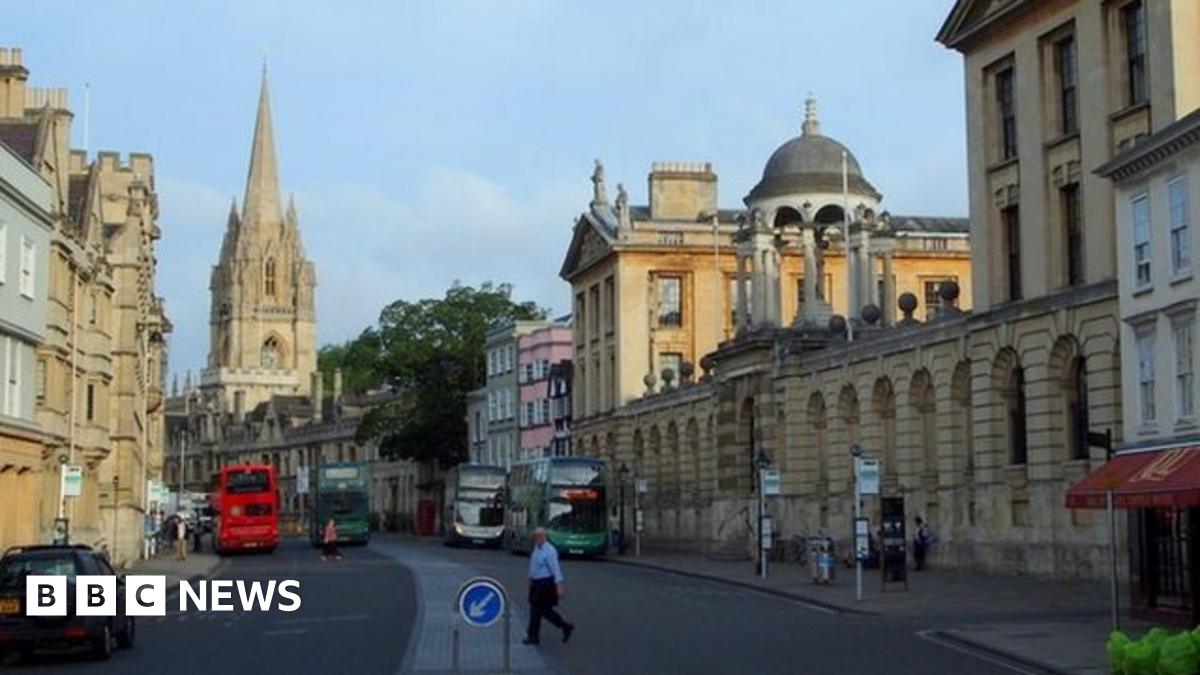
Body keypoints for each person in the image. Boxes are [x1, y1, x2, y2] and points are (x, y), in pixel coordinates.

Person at [523, 528, 574, 646]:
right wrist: (530, 579)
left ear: (545, 537)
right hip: (536, 584)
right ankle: (565, 626)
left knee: (536, 611)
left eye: (540, 536)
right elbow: (533, 566)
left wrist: (559, 586)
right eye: (535, 536)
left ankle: (533, 636)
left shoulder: (550, 551)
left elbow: (556, 570)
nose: (537, 538)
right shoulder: (536, 548)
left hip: (545, 584)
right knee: (543, 611)